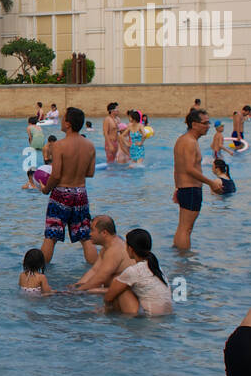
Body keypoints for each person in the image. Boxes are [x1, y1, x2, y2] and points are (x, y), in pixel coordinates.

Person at [38, 108, 97, 266]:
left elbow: (56, 175)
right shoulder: (90, 145)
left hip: (61, 194)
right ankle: (98, 272)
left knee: (51, 236)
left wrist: (45, 189)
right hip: (80, 193)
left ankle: (37, 276)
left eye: (63, 118)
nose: (62, 121)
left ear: (68, 124)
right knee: (85, 237)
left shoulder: (59, 145)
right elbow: (90, 173)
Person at [171, 109, 224, 251]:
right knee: (186, 229)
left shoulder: (182, 140)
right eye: (205, 123)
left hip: (184, 189)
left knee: (182, 227)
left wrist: (177, 188)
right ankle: (184, 263)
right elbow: (189, 168)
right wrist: (211, 182)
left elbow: (178, 168)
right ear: (194, 124)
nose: (208, 126)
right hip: (191, 190)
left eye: (209, 123)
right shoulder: (190, 142)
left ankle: (178, 258)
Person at [101, 229, 173, 316]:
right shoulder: (157, 267)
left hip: (147, 319)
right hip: (166, 315)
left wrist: (106, 309)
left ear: (130, 249)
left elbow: (108, 298)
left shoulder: (133, 271)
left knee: (121, 289)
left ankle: (113, 318)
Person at [73, 215, 129, 290]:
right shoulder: (107, 247)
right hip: (118, 288)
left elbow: (100, 279)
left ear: (104, 233)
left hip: (126, 291)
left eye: (92, 230)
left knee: (92, 291)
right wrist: (77, 285)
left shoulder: (114, 250)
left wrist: (76, 292)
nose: (90, 234)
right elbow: (94, 270)